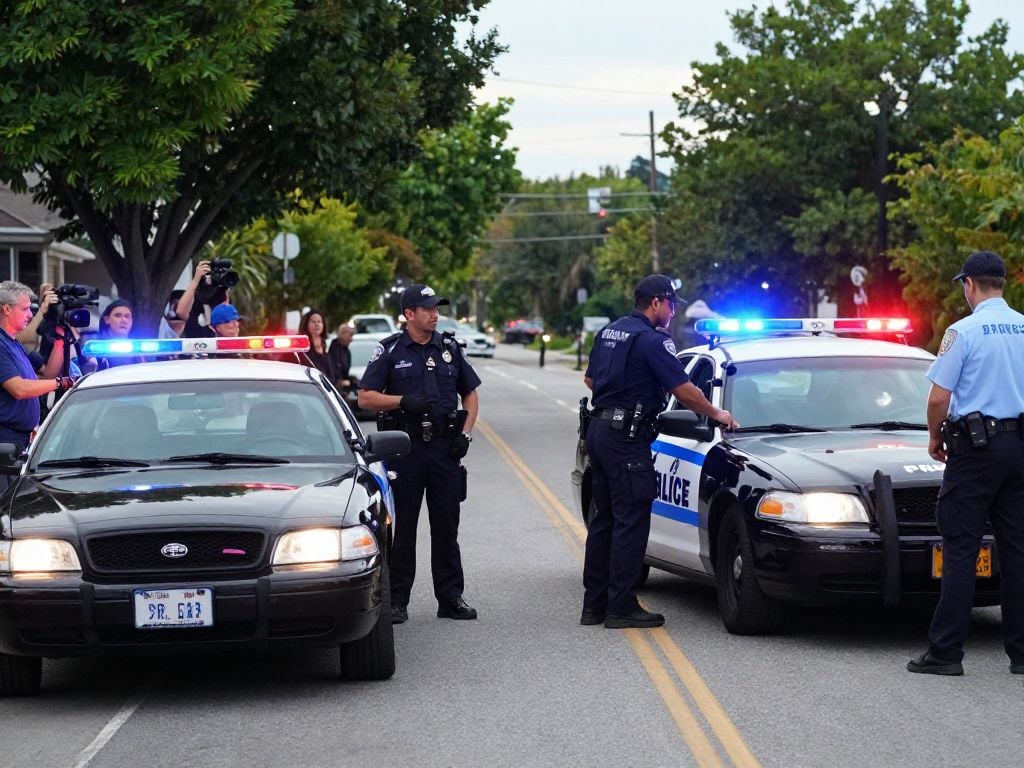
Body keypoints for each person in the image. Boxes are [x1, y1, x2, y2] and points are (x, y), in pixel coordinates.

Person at [581, 275, 738, 629]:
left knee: (604, 520)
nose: (672, 312)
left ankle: (594, 605)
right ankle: (621, 607)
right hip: (627, 439)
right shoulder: (653, 340)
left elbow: (590, 380)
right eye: (671, 304)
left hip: (600, 431)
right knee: (631, 522)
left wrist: (622, 394)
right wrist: (716, 414)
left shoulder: (610, 332)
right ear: (656, 302)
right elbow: (684, 391)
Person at [907, 250, 1024, 677]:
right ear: (1002, 283)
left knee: (960, 548)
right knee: (1017, 551)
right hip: (1019, 449)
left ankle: (946, 652)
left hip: (976, 452)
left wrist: (935, 438)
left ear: (969, 284)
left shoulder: (963, 331)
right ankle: (1021, 653)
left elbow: (939, 398)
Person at [358, 284, 481, 624]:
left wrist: (466, 434)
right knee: (403, 530)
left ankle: (450, 597)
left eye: (436, 308)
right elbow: (366, 397)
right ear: (409, 314)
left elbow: (470, 394)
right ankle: (397, 600)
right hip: (405, 450)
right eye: (427, 309)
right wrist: (401, 401)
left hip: (444, 449)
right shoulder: (390, 350)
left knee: (446, 527)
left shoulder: (450, 348)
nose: (434, 314)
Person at [0, 282, 74, 485]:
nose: (30, 315)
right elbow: (19, 389)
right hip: (4, 442)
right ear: (6, 309)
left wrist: (60, 338)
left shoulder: (14, 344)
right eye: (25, 309)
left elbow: (49, 371)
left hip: (20, 440)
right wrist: (62, 383)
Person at [300, 309, 334, 379]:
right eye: (313, 321)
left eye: (319, 321)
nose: (317, 324)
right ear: (306, 324)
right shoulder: (302, 345)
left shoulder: (325, 344)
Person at [328, 324, 354, 390]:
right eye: (350, 335)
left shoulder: (346, 351)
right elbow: (333, 371)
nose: (351, 339)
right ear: (342, 334)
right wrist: (340, 382)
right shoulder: (334, 350)